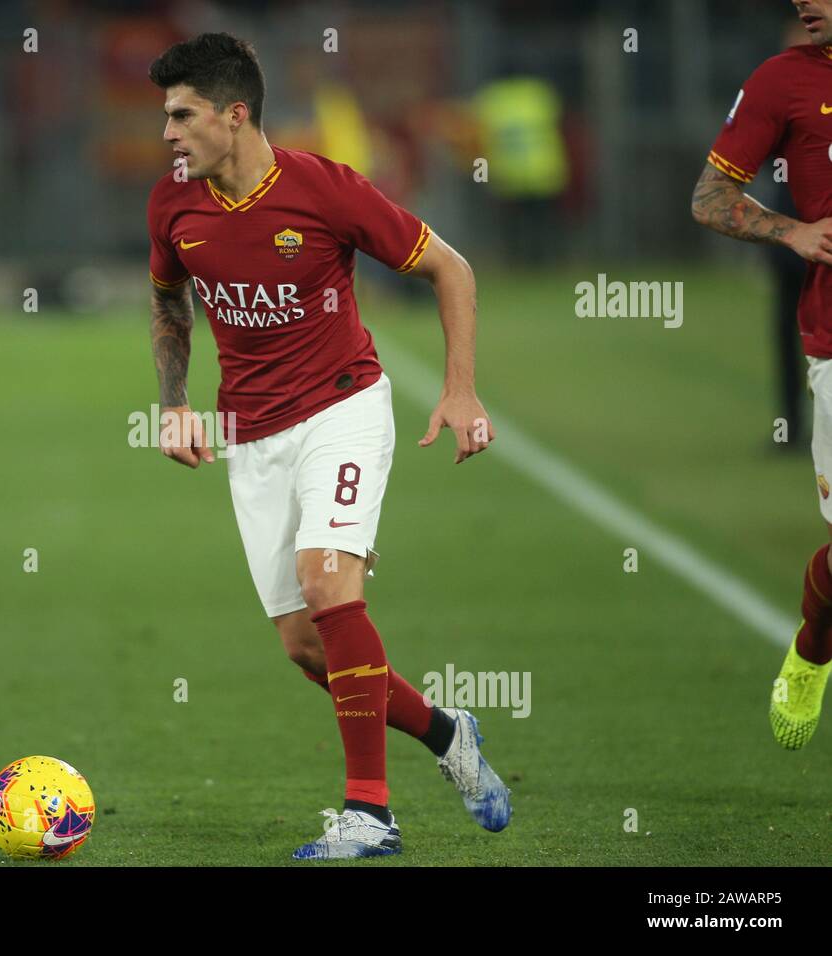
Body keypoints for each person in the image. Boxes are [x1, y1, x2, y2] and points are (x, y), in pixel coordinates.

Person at [145, 33, 511, 859]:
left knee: (327, 584)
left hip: (342, 407)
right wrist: (173, 405)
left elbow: (450, 268)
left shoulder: (325, 190)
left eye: (182, 114)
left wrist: (459, 389)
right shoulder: (173, 203)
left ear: (234, 115)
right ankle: (447, 733)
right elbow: (170, 305)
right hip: (252, 434)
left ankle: (369, 815)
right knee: (308, 646)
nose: (167, 133)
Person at [690, 0, 832, 750]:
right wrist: (792, 231)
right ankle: (813, 647)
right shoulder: (782, 81)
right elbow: (708, 198)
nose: (802, 3)